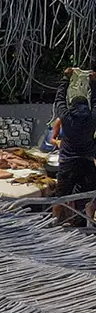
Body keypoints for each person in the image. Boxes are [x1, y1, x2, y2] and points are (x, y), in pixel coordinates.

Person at [50, 68, 96, 224]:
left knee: (60, 195)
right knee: (89, 195)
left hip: (68, 163)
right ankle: (89, 222)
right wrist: (93, 83)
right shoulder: (92, 119)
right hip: (87, 162)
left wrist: (66, 78)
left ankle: (55, 221)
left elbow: (59, 100)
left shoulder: (66, 117)